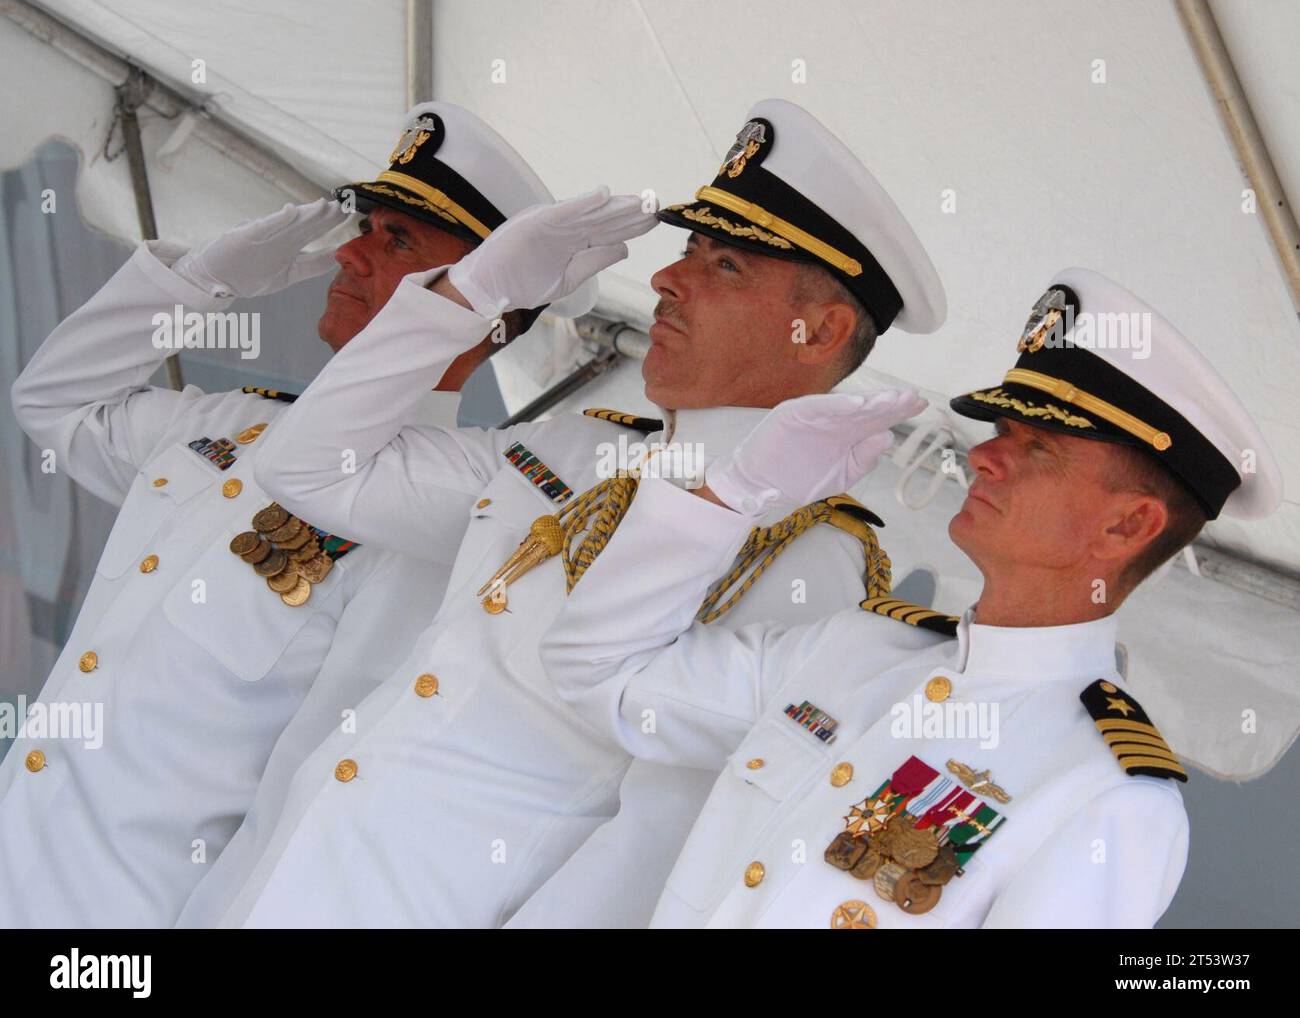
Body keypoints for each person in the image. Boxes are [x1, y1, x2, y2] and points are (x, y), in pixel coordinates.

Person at [210, 98, 946, 927]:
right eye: (688, 250)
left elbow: (656, 842)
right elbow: (308, 466)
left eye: (726, 266)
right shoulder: (576, 450)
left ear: (821, 331)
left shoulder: (808, 551)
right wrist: (467, 292)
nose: (669, 278)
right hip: (278, 882)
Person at [538, 268, 1282, 928]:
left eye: (1037, 448)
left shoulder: (1105, 795)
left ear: (1129, 524)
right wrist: (726, 496)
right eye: (999, 430)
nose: (983, 454)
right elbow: (601, 673)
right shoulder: (858, 648)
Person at [4, 101, 583, 927]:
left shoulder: (443, 523)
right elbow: (54, 402)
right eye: (368, 227)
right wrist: (201, 281)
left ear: (480, 306)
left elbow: (312, 783)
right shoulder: (233, 427)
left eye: (398, 244)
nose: (350, 253)